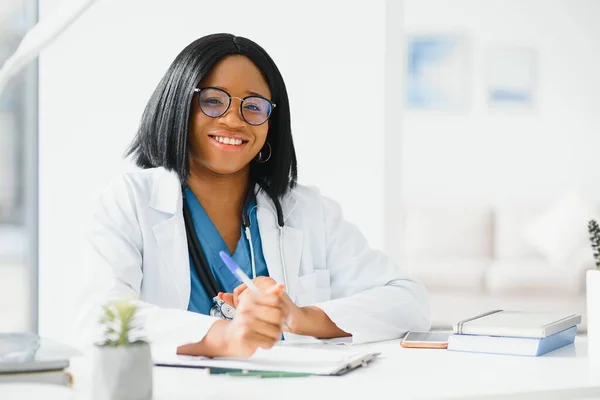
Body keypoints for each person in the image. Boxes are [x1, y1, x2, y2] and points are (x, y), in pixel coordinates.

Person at [77, 33, 430, 358]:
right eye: (213, 101)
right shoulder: (132, 200)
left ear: (270, 123)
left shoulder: (306, 210)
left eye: (254, 106)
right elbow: (101, 316)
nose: (234, 120)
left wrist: (300, 317)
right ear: (178, 107)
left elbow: (408, 301)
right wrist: (223, 336)